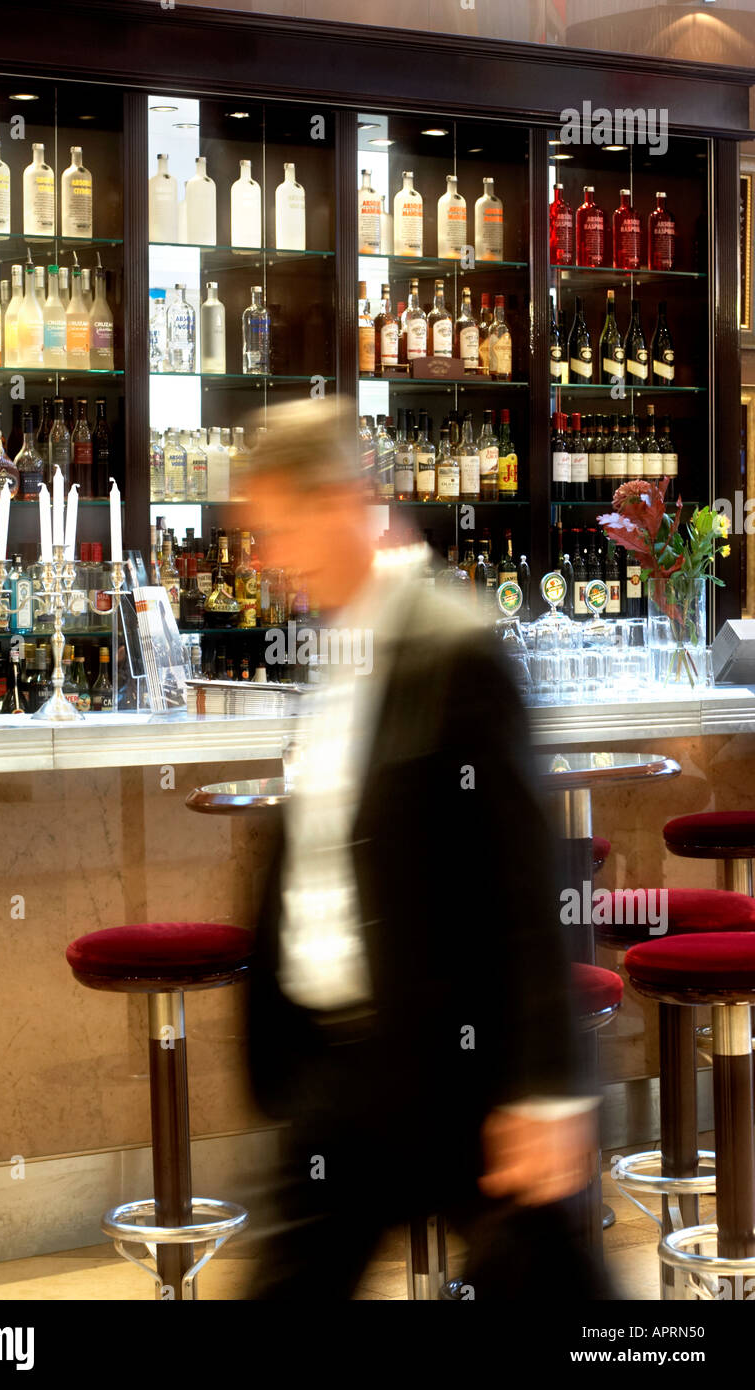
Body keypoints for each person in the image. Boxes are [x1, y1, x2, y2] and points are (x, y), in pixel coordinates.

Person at [242, 397, 609, 1299]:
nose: (266, 556)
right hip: (346, 1076)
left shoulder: (457, 647)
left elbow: (528, 885)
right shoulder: (329, 650)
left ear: (336, 502)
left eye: (277, 526)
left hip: (464, 1080)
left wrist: (548, 1092)